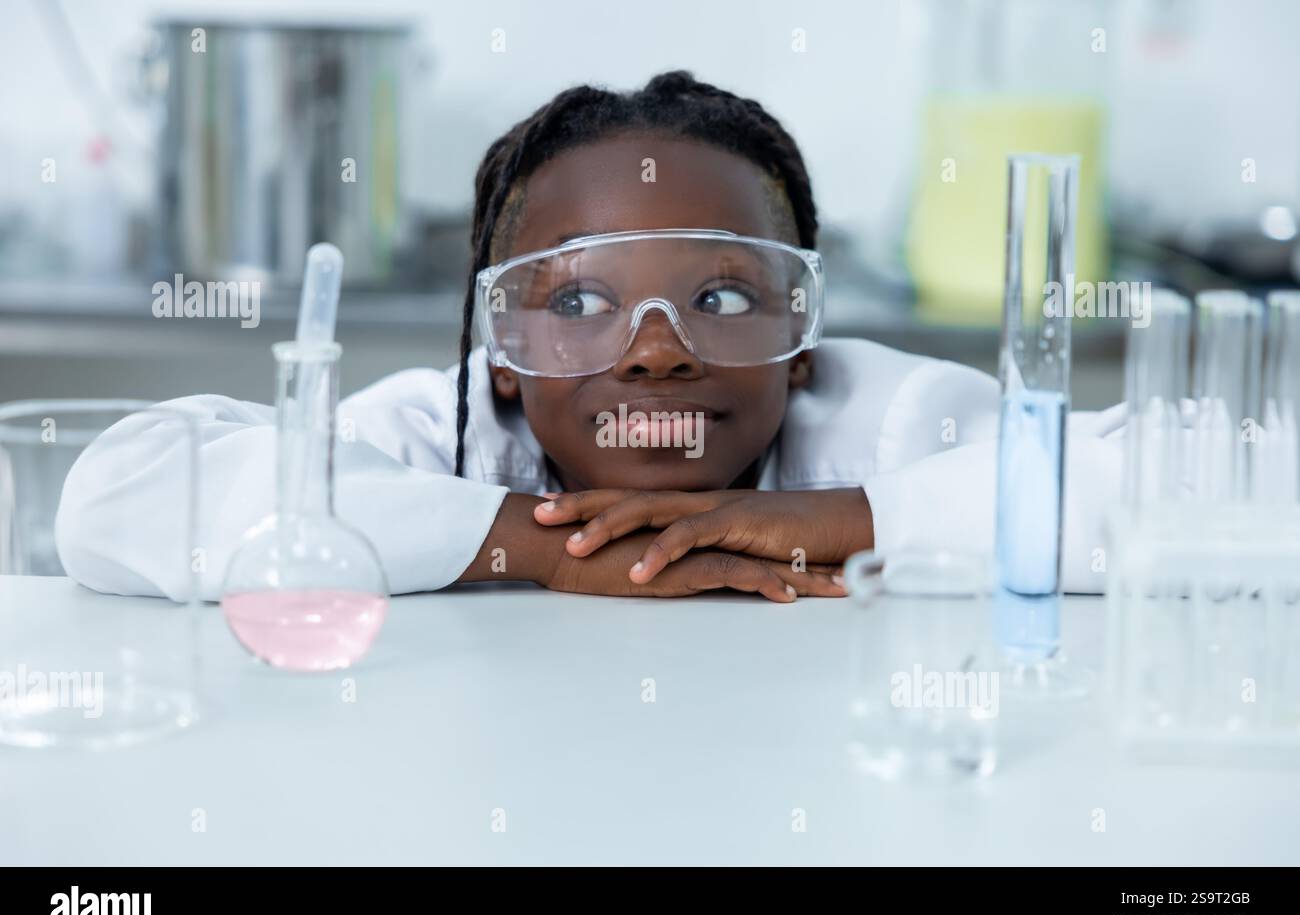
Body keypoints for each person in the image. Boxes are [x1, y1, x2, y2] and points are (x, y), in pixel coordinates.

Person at [56, 71, 1121, 603]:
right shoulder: (448, 434)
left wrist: (836, 516)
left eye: (722, 296)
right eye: (574, 304)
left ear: (803, 335)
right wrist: (546, 546)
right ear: (502, 351)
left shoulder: (890, 419)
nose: (656, 349)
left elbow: (1212, 485)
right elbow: (115, 494)